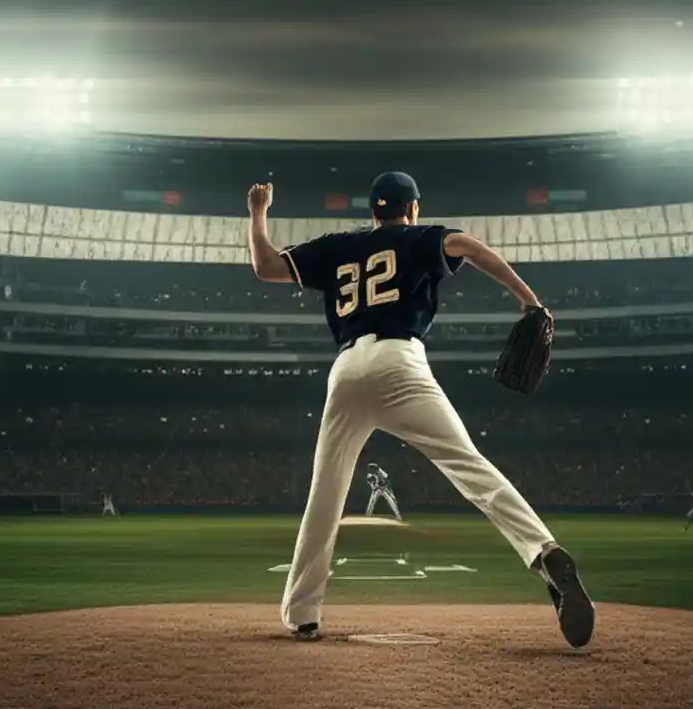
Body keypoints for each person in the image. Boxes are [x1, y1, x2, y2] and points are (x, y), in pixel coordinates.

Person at [246, 173, 594, 648]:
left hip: (347, 369)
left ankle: (302, 613)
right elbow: (470, 247)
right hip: (400, 362)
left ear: (372, 212)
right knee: (469, 465)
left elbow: (265, 266)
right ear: (412, 209)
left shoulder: (336, 245)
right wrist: (528, 299)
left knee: (325, 494)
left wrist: (259, 212)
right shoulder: (421, 237)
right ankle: (545, 552)